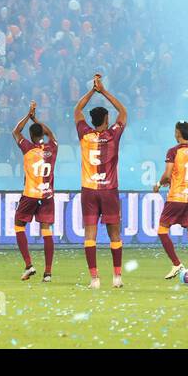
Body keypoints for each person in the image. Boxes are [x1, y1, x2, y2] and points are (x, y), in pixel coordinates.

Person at [73, 73, 127, 289]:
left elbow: (77, 110)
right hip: (109, 190)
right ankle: (117, 277)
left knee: (90, 235)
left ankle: (94, 278)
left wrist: (91, 91)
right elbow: (123, 112)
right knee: (115, 234)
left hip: (89, 190)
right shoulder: (114, 134)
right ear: (106, 120)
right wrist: (103, 90)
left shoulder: (84, 134)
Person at [12, 101, 58, 281]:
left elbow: (16, 131)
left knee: (19, 226)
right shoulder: (53, 147)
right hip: (47, 195)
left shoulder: (28, 148)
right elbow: (50, 133)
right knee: (46, 230)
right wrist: (36, 119)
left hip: (30, 194)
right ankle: (48, 273)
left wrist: (28, 115)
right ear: (43, 135)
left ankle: (29, 265)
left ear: (30, 136)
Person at [155, 121, 188, 279]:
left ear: (177, 133)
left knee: (162, 230)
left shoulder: (173, 151)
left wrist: (158, 184)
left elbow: (168, 175)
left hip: (176, 196)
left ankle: (176, 264)